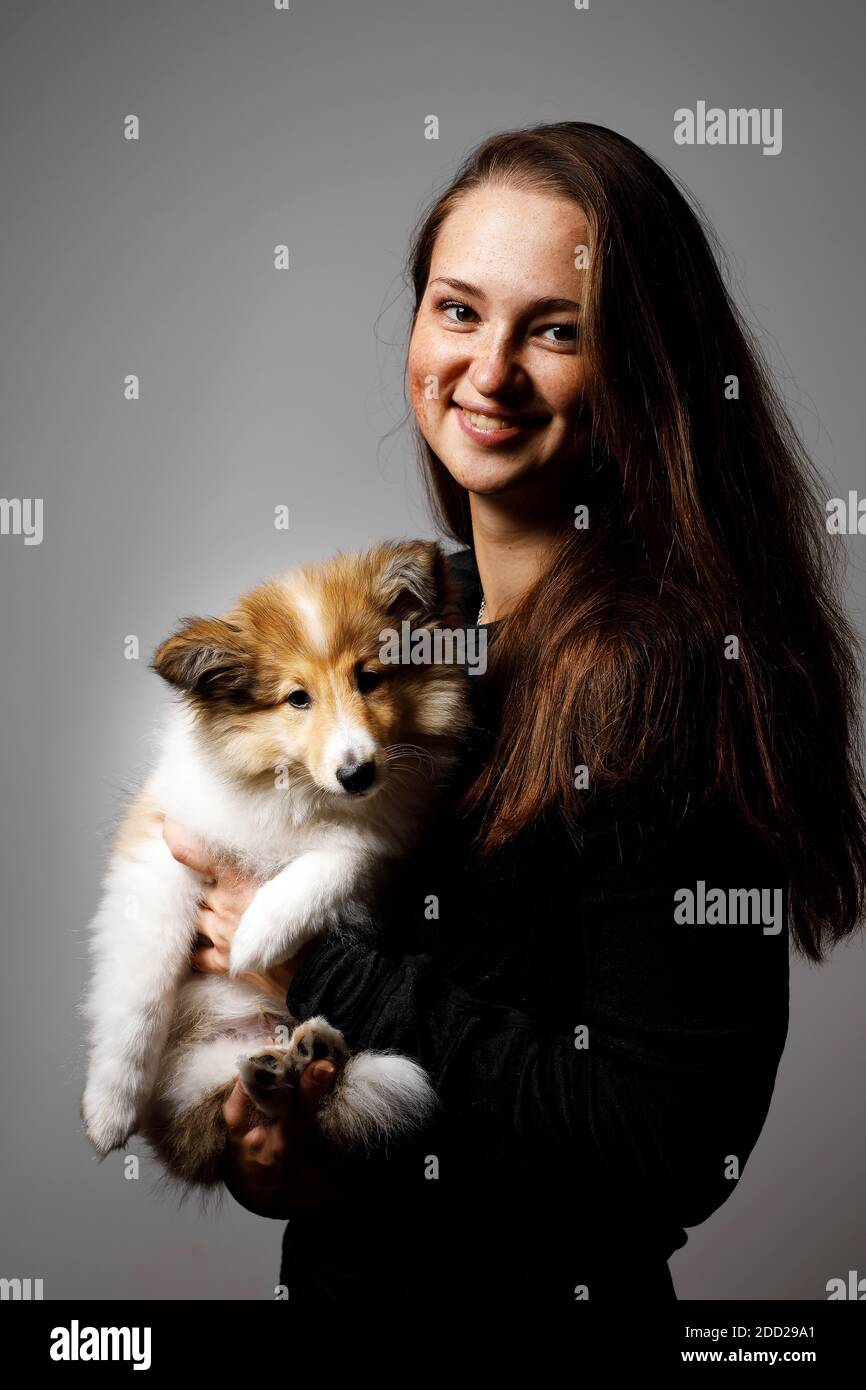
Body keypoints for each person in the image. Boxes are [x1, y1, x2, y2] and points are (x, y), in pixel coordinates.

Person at [162, 122, 866, 1303]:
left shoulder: (660, 675)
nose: (486, 371)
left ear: (642, 368)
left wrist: (309, 961)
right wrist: (284, 1151)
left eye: (554, 331)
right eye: (455, 310)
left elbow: (665, 1147)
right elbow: (401, 1117)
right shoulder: (414, 646)